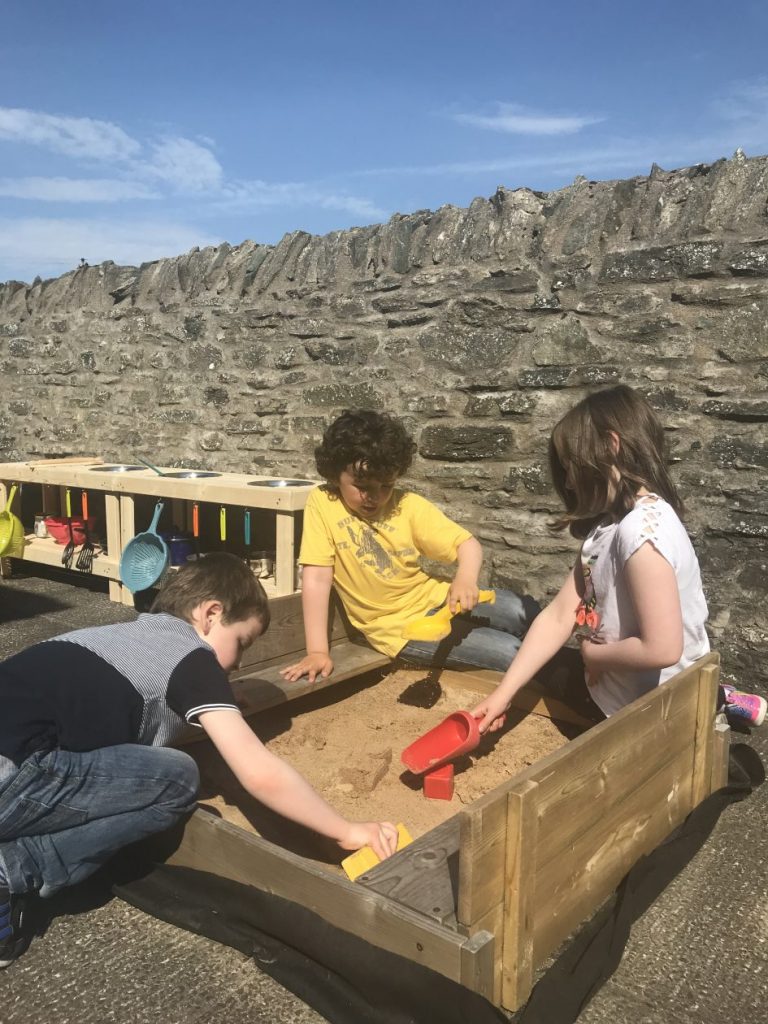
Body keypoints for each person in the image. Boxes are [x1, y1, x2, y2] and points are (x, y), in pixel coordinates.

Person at [0, 553, 397, 968]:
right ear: (210, 614)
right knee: (177, 777)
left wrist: (218, 694)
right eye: (241, 643)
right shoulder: (191, 658)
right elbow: (258, 773)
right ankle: (14, 868)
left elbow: (131, 693)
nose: (238, 662)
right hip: (14, 776)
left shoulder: (118, 635)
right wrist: (346, 830)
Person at [472, 385, 767, 734]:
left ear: (611, 446)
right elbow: (557, 615)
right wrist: (504, 694)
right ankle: (720, 698)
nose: (568, 480)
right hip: (617, 686)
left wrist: (593, 654)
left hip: (648, 707)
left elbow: (662, 649)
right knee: (534, 662)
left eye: (571, 466)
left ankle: (715, 711)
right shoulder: (610, 526)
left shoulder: (640, 534)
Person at [280, 409, 538, 685]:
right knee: (509, 652)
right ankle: (570, 682)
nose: (375, 497)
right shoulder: (323, 503)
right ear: (335, 475)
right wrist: (317, 651)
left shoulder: (407, 505)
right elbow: (317, 578)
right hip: (398, 629)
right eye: (362, 485)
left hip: (437, 599)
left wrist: (465, 579)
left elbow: (467, 544)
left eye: (386, 485)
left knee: (522, 611)